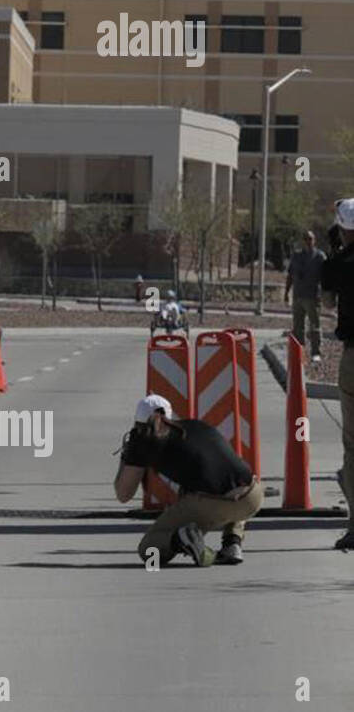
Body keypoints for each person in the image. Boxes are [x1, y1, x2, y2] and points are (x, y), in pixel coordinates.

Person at [113, 393, 263, 566]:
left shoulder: (143, 444)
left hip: (215, 504)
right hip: (253, 496)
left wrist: (127, 455)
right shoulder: (196, 425)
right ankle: (232, 542)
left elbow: (124, 494)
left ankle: (182, 537)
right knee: (229, 482)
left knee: (148, 550)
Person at [321, 199, 354, 550]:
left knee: (352, 447)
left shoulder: (337, 264)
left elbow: (328, 304)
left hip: (353, 359)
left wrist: (335, 255)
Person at [285, 230, 325, 365]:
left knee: (314, 326)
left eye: (310, 239)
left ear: (314, 240)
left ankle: (316, 353)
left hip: (313, 297)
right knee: (297, 327)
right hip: (298, 296)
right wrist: (286, 293)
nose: (308, 241)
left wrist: (326, 294)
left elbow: (327, 278)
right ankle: (299, 352)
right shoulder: (296, 256)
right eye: (306, 239)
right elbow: (290, 275)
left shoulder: (320, 257)